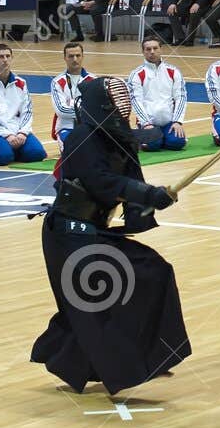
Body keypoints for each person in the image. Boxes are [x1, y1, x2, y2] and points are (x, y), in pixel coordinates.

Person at [30, 77, 190, 394]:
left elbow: (131, 183)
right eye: (117, 99)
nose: (123, 105)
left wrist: (151, 201)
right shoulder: (80, 137)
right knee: (97, 300)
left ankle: (151, 357)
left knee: (154, 272)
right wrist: (147, 194)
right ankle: (121, 366)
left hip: (94, 231)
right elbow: (100, 181)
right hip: (68, 236)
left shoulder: (121, 138)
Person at [0, 43, 46, 164]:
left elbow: (27, 111)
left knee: (37, 153)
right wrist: (7, 135)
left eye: (8, 56)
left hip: (19, 131)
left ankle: (15, 150)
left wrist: (22, 133)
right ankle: (10, 151)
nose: (5, 60)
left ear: (11, 58)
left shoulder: (21, 83)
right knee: (4, 157)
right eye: (1, 57)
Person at [128, 36, 187, 151]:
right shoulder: (136, 74)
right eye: (148, 49)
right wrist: (146, 124)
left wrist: (177, 121)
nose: (152, 52)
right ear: (143, 52)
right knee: (153, 145)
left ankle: (163, 137)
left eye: (155, 48)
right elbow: (136, 102)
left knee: (177, 143)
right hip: (148, 123)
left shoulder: (173, 71)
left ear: (161, 49)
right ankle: (148, 136)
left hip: (169, 121)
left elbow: (181, 97)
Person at [49, 40, 92, 146]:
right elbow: (61, 110)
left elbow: (97, 107)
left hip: (89, 127)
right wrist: (87, 112)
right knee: (74, 150)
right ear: (65, 58)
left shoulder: (93, 80)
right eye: (71, 56)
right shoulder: (57, 82)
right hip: (66, 127)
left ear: (83, 57)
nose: (75, 59)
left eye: (78, 55)